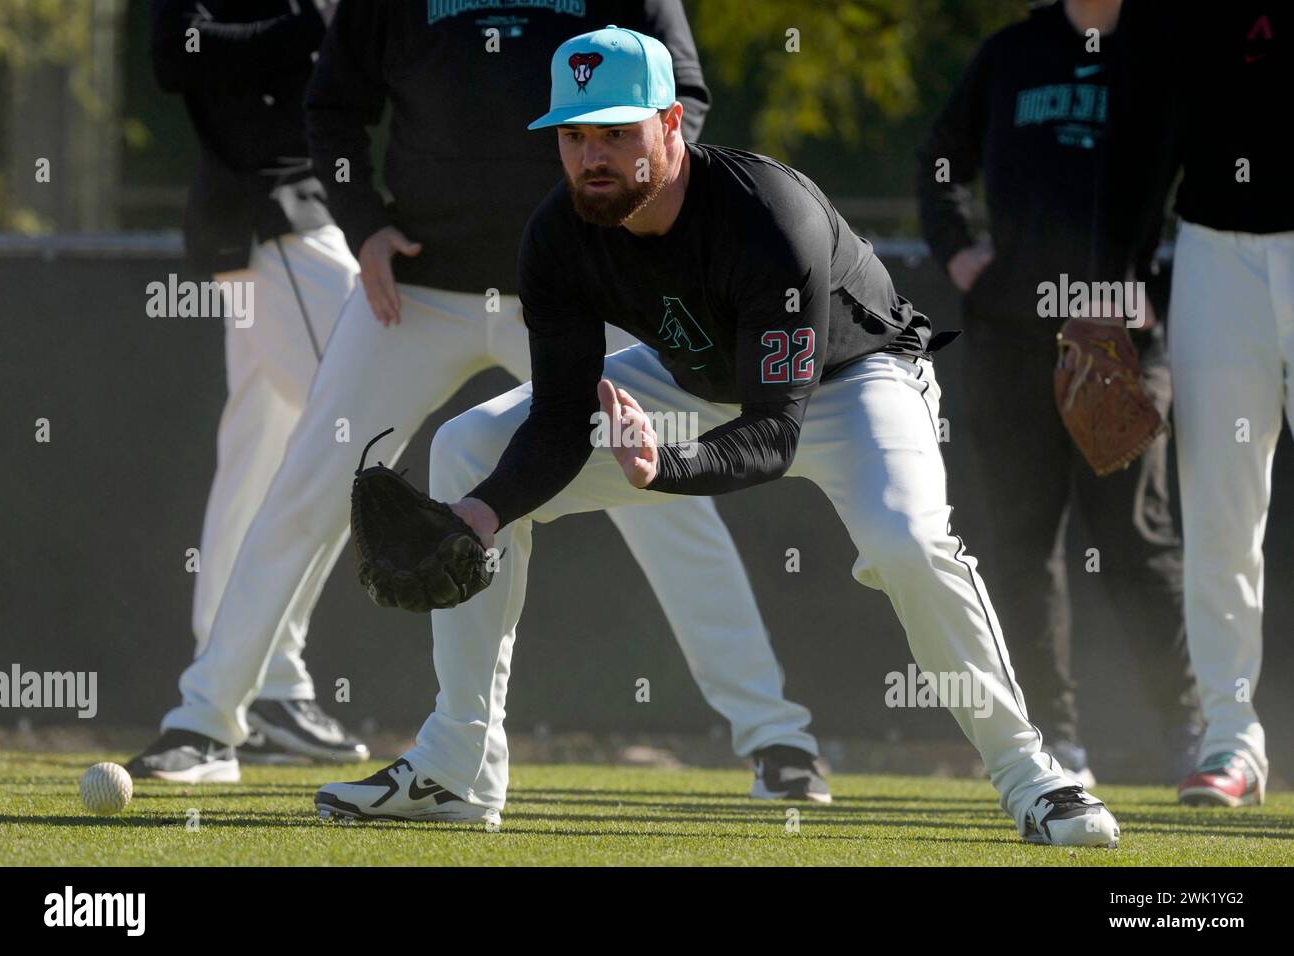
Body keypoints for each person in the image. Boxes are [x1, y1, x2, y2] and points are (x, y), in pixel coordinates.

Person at [316, 26, 1121, 848]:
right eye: (573, 134)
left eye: (616, 132)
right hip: (691, 376)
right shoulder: (559, 234)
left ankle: (1032, 776)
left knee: (907, 542)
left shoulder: (768, 216)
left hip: (852, 383)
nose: (592, 156)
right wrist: (481, 518)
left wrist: (664, 465)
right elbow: (559, 420)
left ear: (671, 125)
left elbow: (774, 431)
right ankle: (456, 767)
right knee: (470, 448)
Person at [132, 0, 829, 806]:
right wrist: (362, 225)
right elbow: (334, 106)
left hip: (576, 281)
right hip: (418, 288)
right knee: (310, 484)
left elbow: (684, 95)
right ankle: (205, 722)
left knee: (669, 503)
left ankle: (778, 740)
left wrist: (633, 231)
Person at [916, 0, 1199, 786]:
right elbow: (940, 158)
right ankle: (1050, 742)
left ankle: (1190, 733)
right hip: (1012, 337)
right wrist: (962, 255)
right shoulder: (1012, 52)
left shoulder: (1166, 52)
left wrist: (1159, 291)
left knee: (1138, 544)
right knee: (1022, 544)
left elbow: (1216, 192)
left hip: (1121, 343)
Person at [135, 0, 369, 781]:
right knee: (360, 437)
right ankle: (250, 687)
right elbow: (176, 54)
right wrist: (310, 26)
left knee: (261, 459)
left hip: (290, 222)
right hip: (274, 226)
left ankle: (249, 682)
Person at [1095, 0, 1293, 807]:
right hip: (1213, 248)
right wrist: (1116, 274)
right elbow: (1141, 121)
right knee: (1218, 510)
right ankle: (1230, 737)